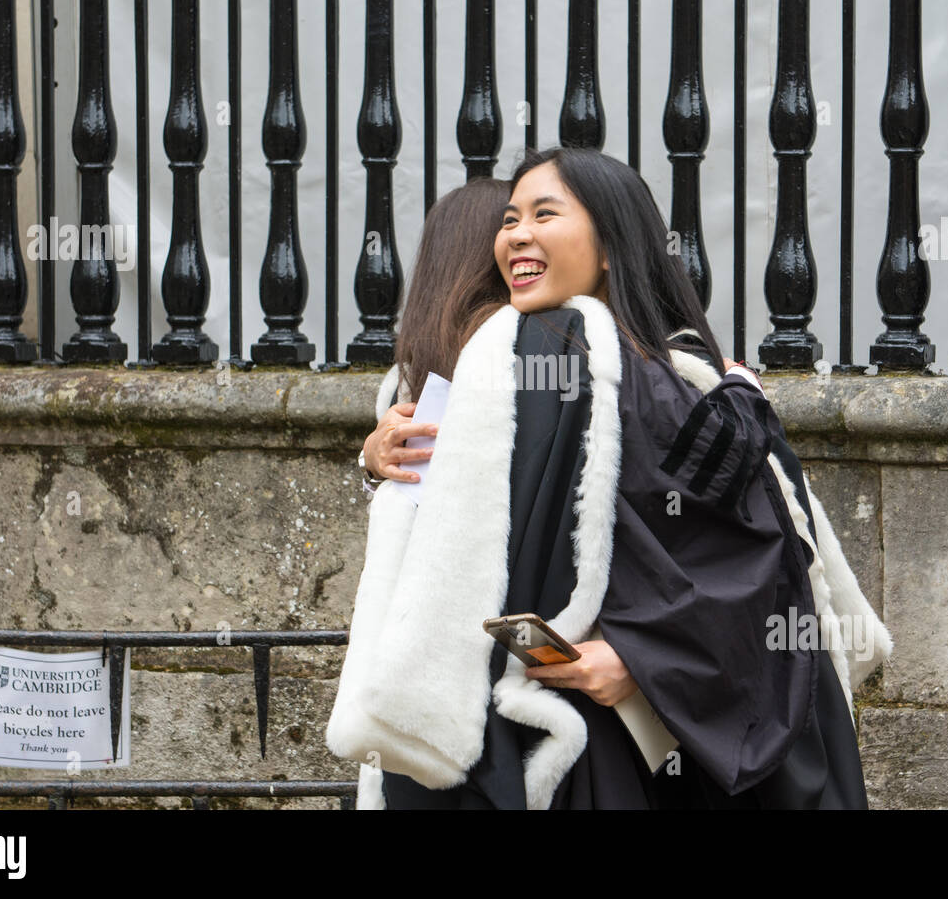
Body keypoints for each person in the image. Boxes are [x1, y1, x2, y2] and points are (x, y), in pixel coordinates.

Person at [329, 146, 887, 809]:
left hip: (616, 740)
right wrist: (378, 468)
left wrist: (644, 660)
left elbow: (755, 565)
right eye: (508, 221)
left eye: (543, 214)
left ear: (612, 246)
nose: (515, 236)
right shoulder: (518, 365)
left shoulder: (677, 385)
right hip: (535, 726)